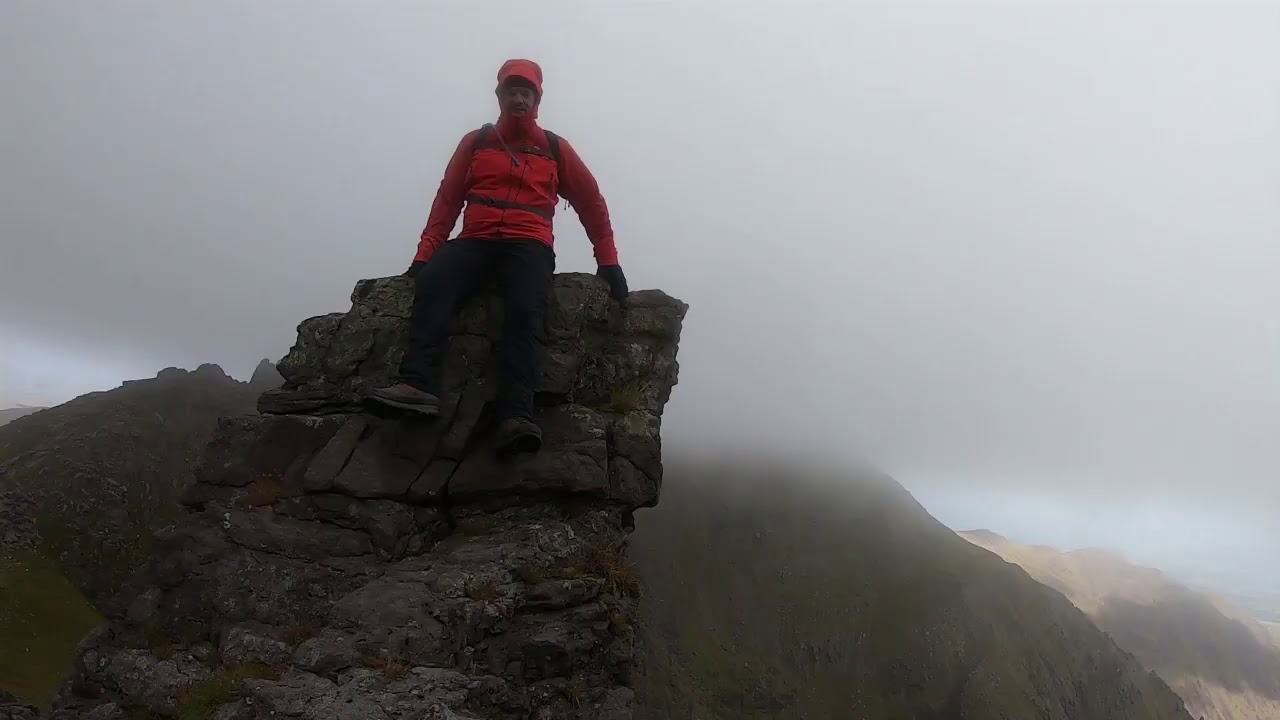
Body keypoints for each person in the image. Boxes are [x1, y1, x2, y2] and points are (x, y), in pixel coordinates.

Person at [366, 59, 629, 455]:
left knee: (525, 310)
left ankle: (516, 416)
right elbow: (447, 200)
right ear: (499, 96)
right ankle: (418, 385)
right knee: (434, 283)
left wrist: (608, 260)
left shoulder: (554, 148)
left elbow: (591, 202)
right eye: (511, 91)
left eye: (526, 92)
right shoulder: (477, 142)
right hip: (476, 239)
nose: (518, 99)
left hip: (529, 244)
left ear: (537, 99)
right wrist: (424, 257)